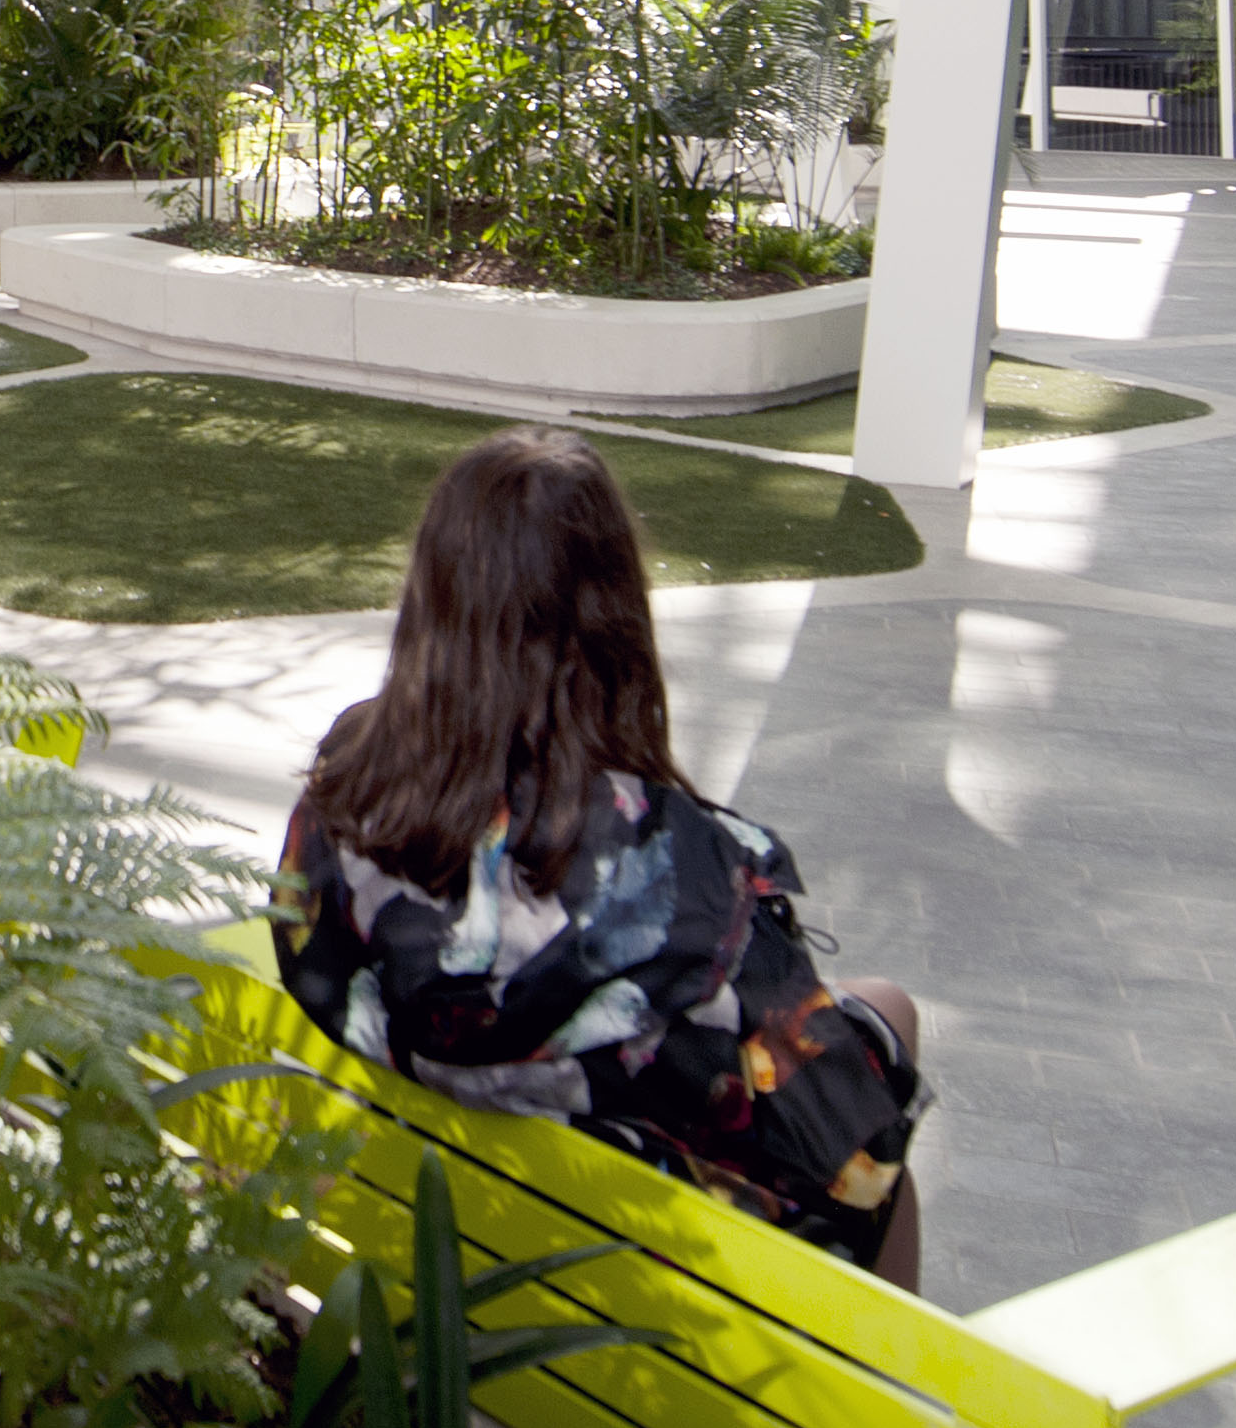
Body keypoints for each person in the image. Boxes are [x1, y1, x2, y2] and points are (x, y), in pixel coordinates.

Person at [268, 427, 933, 1293]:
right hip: (645, 1292)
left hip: (439, 1222)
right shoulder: (677, 866)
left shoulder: (346, 788)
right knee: (889, 1025)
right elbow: (854, 1171)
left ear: (434, 599)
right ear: (614, 619)